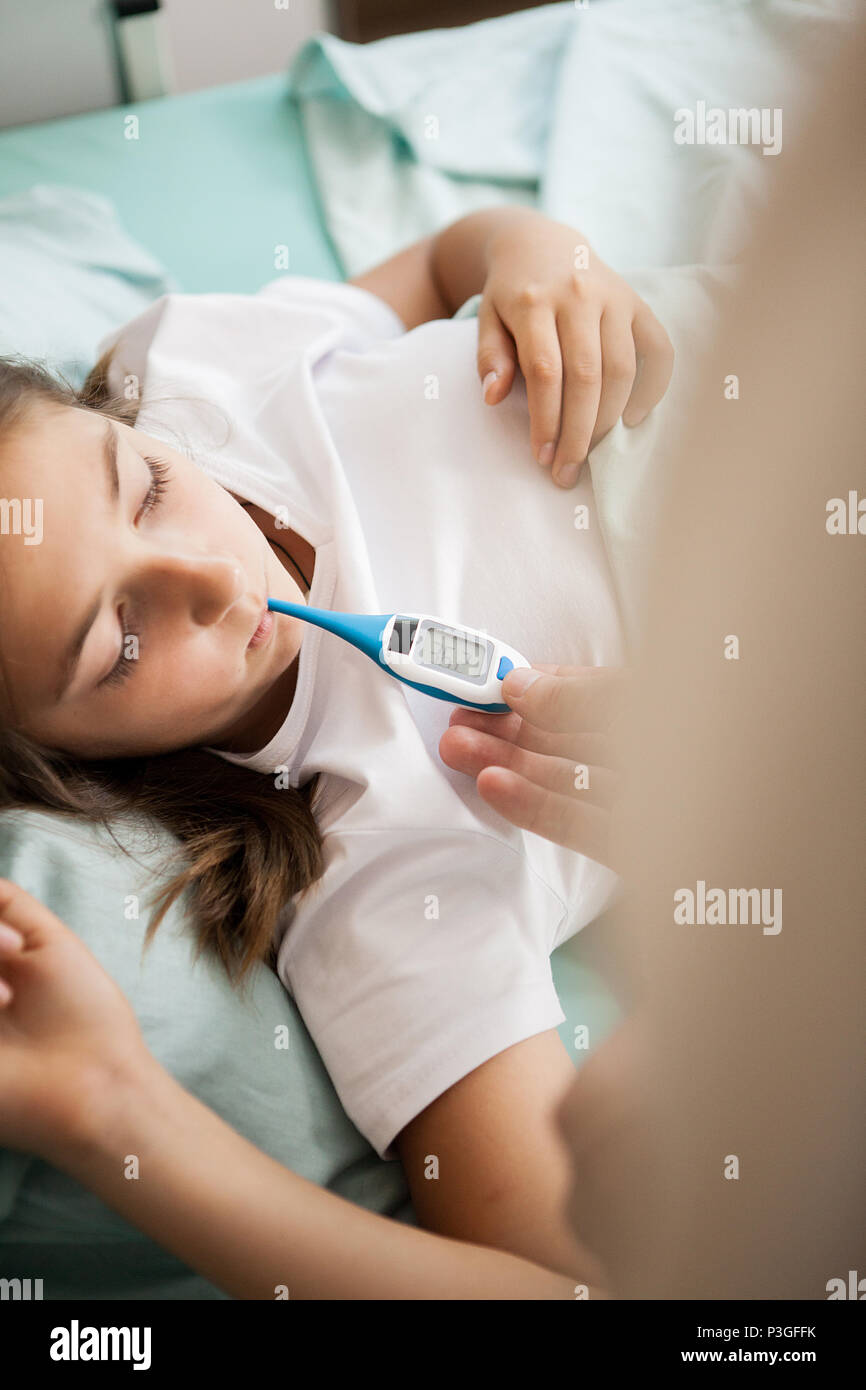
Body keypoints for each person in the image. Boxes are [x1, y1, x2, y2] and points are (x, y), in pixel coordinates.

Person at [0, 205, 673, 1297]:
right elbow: (575, 1279)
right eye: (119, 643)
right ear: (68, 769)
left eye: (149, 490)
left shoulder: (173, 363)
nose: (217, 583)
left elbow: (434, 266)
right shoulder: (379, 885)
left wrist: (531, 253)